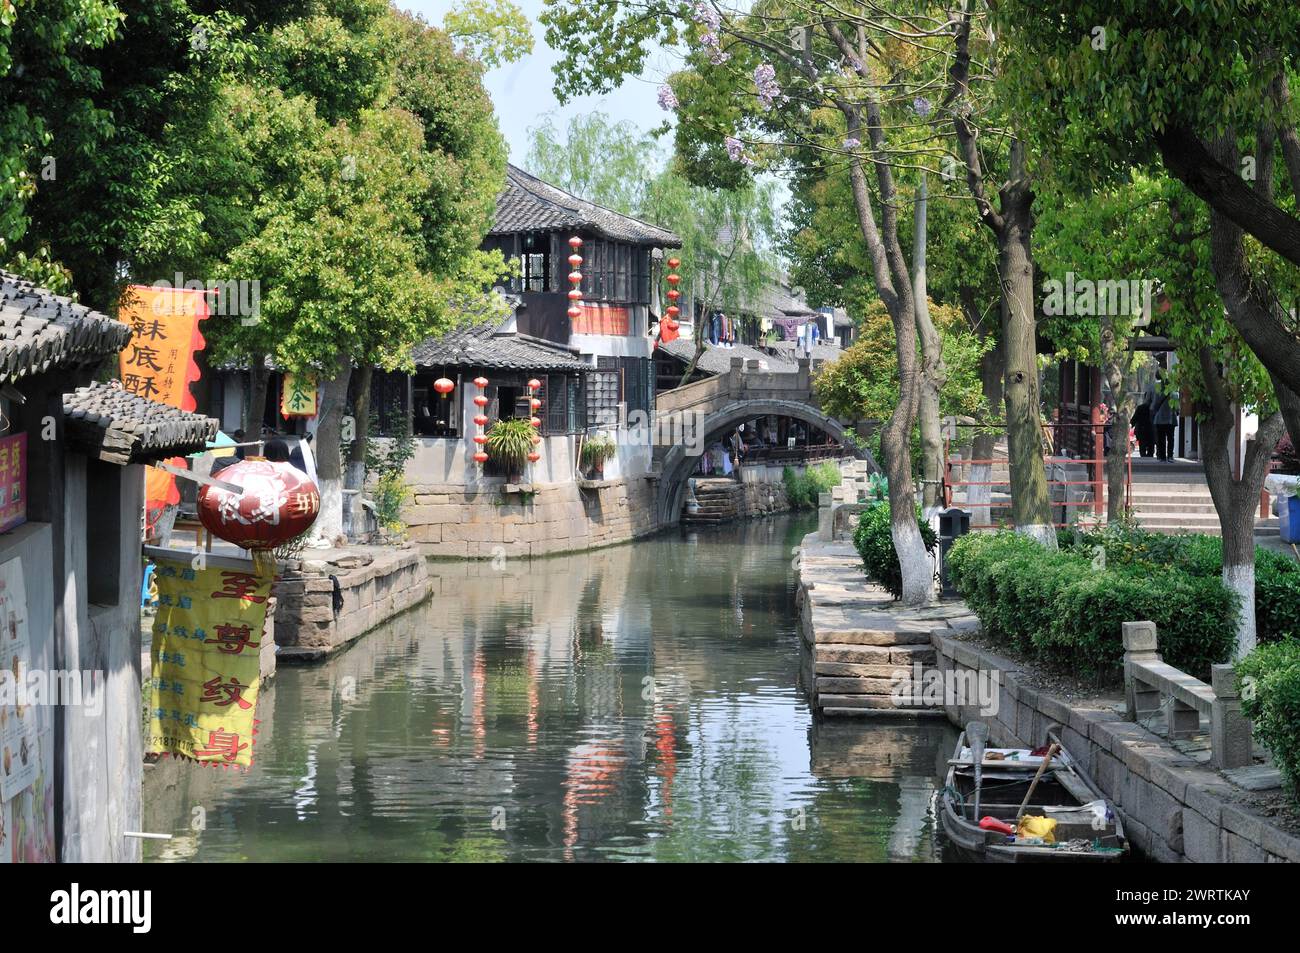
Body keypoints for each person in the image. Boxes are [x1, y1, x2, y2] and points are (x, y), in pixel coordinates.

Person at [1148, 374, 1178, 461]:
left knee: (1161, 439)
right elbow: (1177, 408)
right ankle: (1170, 456)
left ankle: (1162, 456)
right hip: (1170, 419)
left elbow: (1153, 406)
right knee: (1171, 438)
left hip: (1159, 419)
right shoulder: (1174, 394)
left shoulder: (1158, 394)